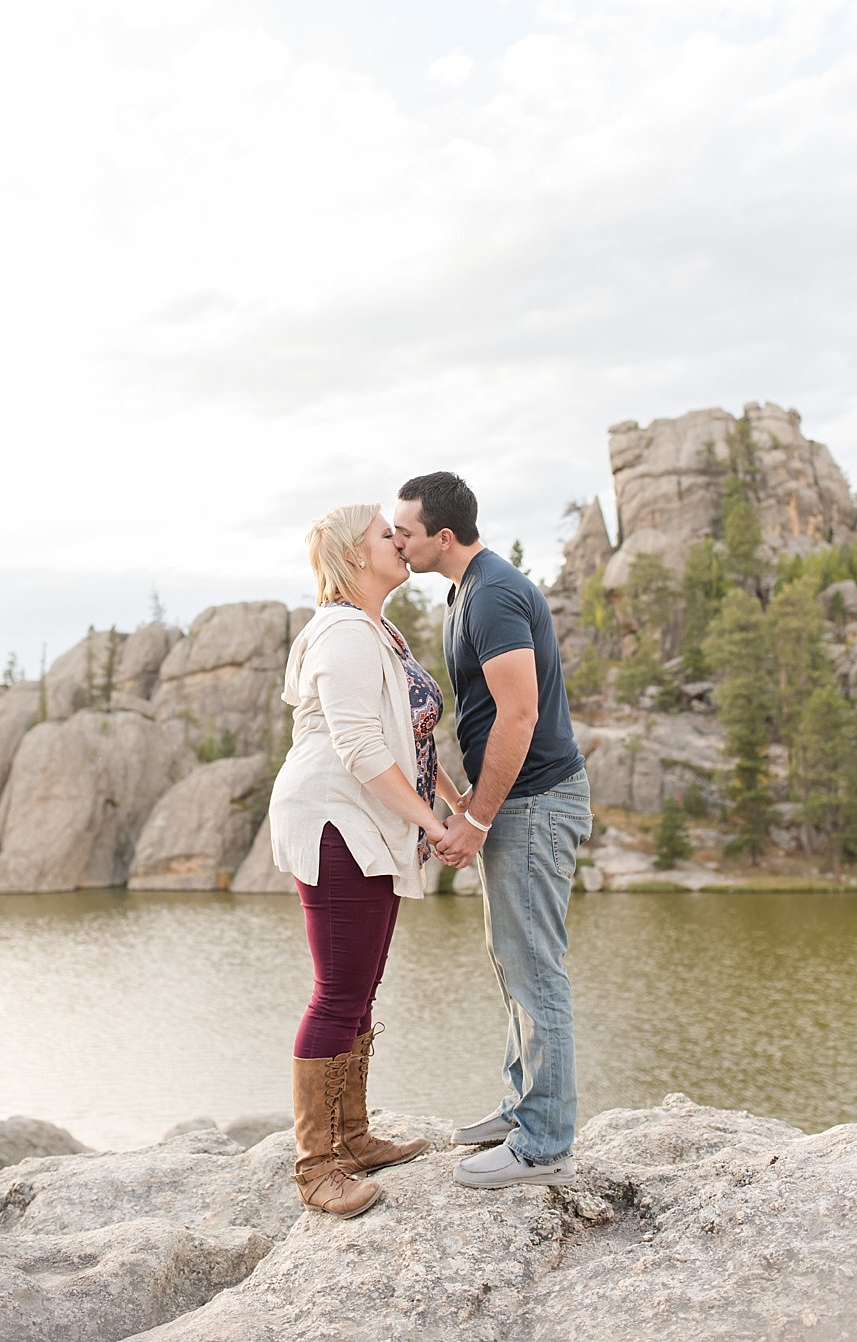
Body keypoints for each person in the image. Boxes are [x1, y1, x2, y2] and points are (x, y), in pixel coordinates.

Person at [391, 470, 592, 1189]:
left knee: (535, 966)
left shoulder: (497, 594)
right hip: (516, 801)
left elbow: (519, 715)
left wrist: (475, 819)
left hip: (536, 803)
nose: (396, 541)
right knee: (514, 959)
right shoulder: (463, 593)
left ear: (443, 537)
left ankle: (544, 1145)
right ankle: (521, 1108)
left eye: (404, 531)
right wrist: (469, 802)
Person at [269, 503, 463, 1217]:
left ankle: (353, 1138)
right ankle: (316, 1170)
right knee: (337, 992)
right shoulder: (344, 633)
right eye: (388, 534)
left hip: (372, 818)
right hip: (335, 817)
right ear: (356, 555)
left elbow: (409, 737)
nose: (401, 541)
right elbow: (356, 745)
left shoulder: (379, 631)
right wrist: (433, 825)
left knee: (362, 986)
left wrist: (451, 799)